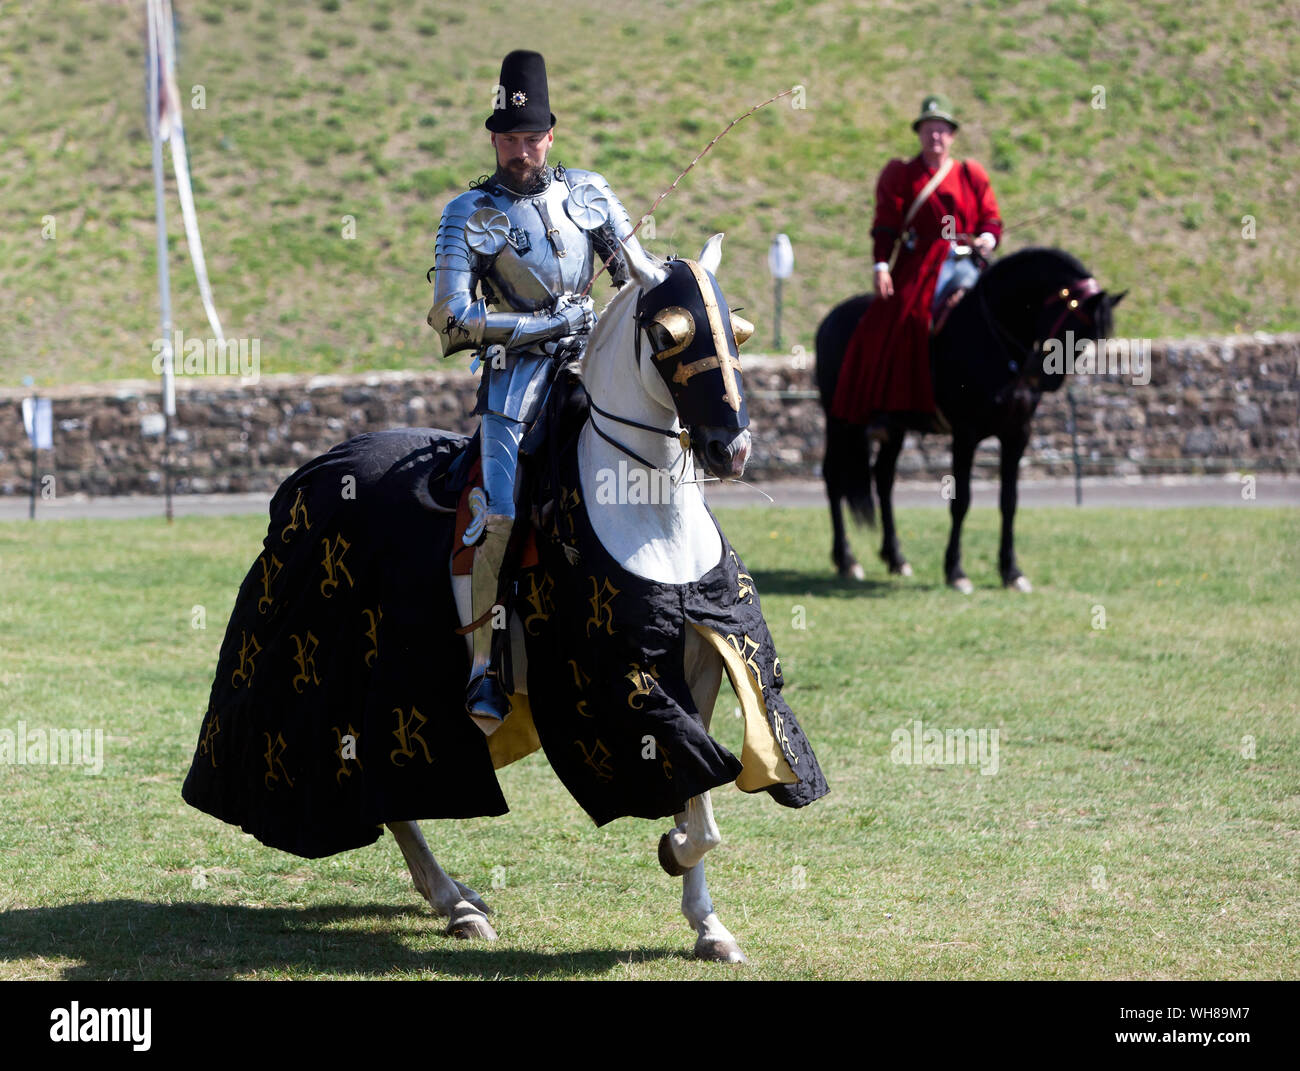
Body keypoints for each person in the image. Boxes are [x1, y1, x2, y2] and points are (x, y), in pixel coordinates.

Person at [427, 50, 648, 732]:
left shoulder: (589, 194)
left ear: (550, 135)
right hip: (513, 388)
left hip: (593, 371)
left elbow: (637, 273)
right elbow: (450, 320)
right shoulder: (468, 212)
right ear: (494, 137)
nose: (521, 149)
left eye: (533, 137)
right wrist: (545, 322)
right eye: (509, 137)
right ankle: (485, 667)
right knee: (498, 512)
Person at [832, 94, 1002, 432]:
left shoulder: (971, 174)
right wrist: (881, 265)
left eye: (941, 130)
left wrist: (987, 238)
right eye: (928, 130)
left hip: (968, 259)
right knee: (901, 317)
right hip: (921, 260)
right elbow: (885, 225)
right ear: (920, 134)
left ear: (952, 135)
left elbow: (991, 217)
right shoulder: (902, 174)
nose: (935, 137)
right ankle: (891, 404)